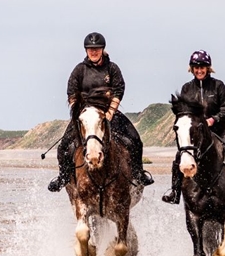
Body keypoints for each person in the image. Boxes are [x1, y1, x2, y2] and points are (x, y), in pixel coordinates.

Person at [48, 32, 154, 192]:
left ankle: (139, 174)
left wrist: (110, 112)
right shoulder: (79, 70)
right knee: (63, 146)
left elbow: (119, 90)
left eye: (97, 49)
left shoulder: (112, 68)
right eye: (90, 49)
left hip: (108, 112)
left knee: (134, 140)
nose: (94, 51)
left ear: (102, 49)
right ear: (86, 50)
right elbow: (71, 92)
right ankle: (63, 177)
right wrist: (79, 113)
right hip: (85, 114)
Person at [162, 50, 225, 204]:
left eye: (202, 67)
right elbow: (183, 111)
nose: (199, 70)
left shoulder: (218, 86)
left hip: (220, 130)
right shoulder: (187, 89)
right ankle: (174, 191)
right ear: (191, 69)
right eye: (196, 67)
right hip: (197, 134)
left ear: (208, 68)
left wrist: (213, 120)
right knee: (180, 156)